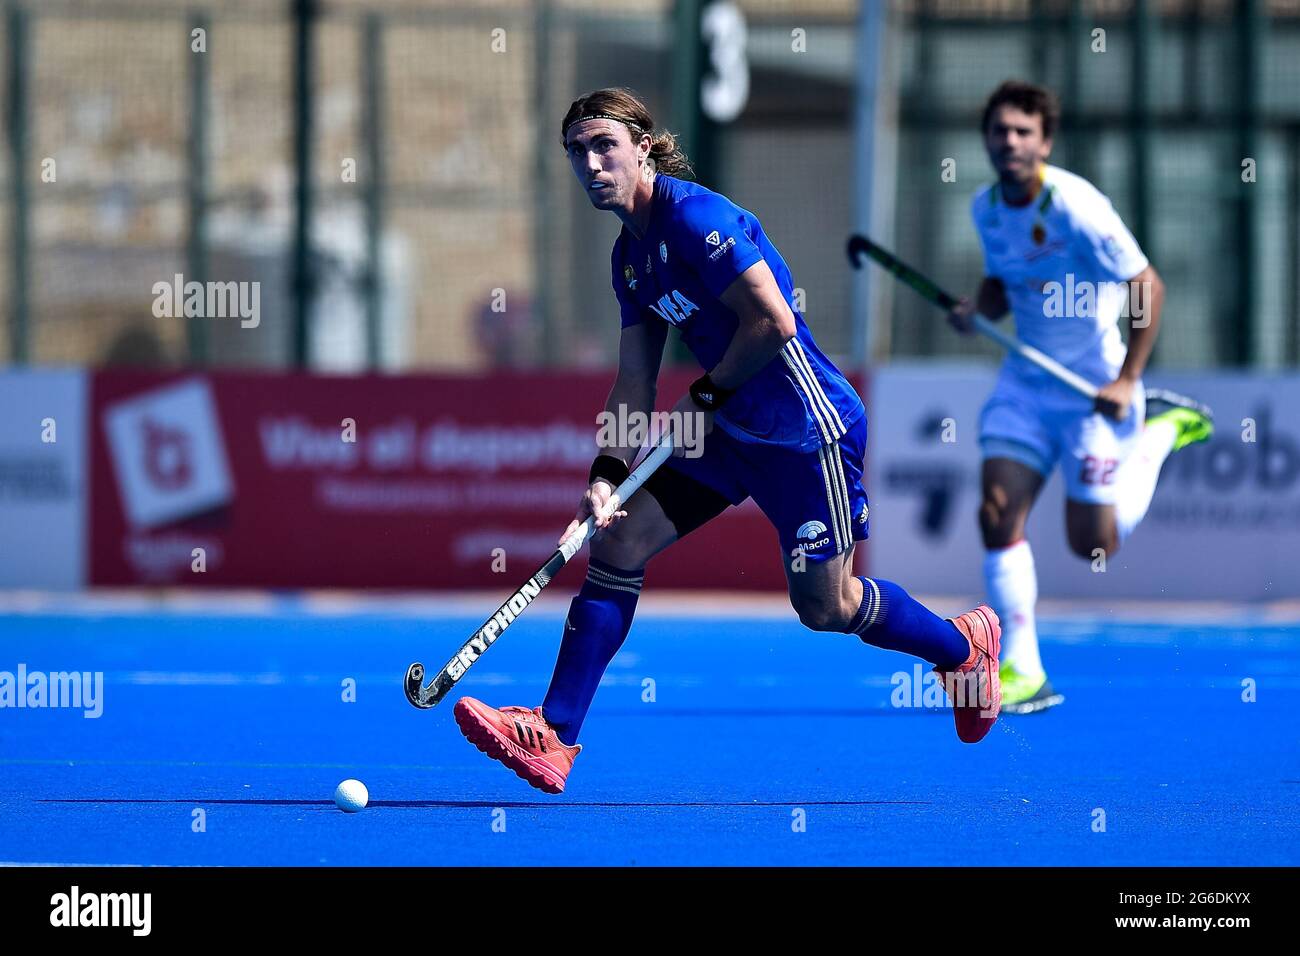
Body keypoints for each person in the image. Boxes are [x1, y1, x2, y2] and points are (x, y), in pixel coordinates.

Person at [453, 87, 1001, 794]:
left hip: (805, 433)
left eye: (603, 146)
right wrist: (605, 472)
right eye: (575, 151)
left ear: (642, 148)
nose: (589, 164)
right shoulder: (629, 259)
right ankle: (555, 735)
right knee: (617, 540)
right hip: (726, 430)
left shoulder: (696, 218)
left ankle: (963, 647)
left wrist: (706, 396)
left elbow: (771, 320)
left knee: (824, 608)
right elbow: (633, 381)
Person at [947, 80, 1213, 714]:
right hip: (1025, 384)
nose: (1009, 141)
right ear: (986, 138)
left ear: (1044, 141)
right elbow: (1004, 284)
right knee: (995, 513)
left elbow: (1148, 285)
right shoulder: (985, 208)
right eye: (999, 130)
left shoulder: (1078, 208)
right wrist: (975, 309)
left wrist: (1126, 381)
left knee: (1094, 542)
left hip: (1092, 387)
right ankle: (1023, 667)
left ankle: (1161, 432)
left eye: (1022, 131)